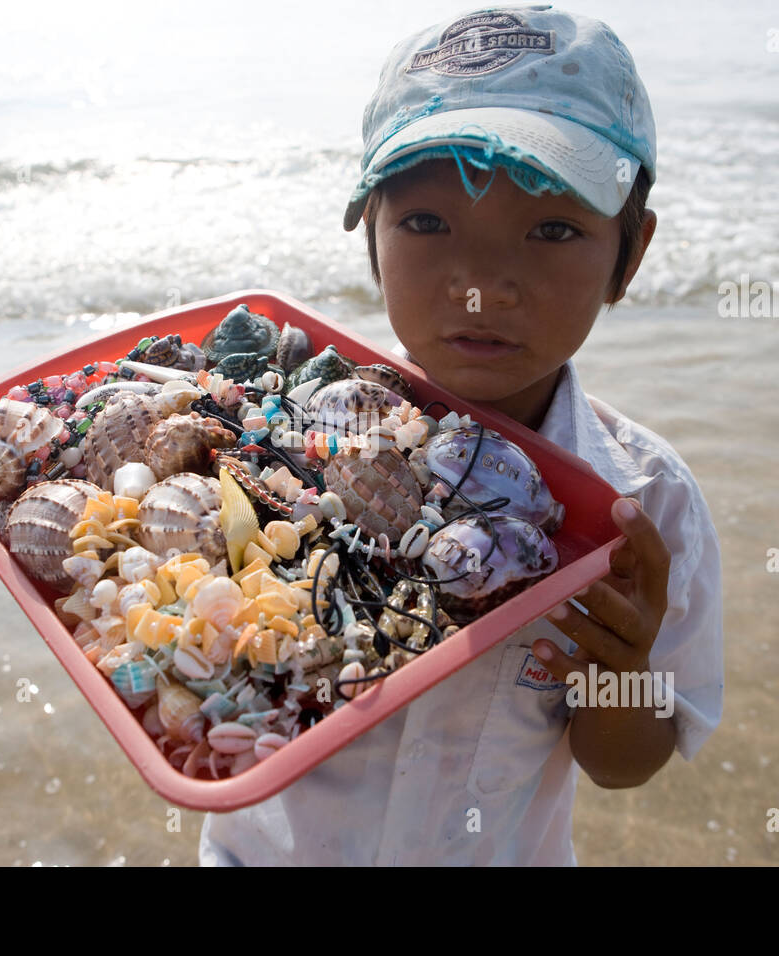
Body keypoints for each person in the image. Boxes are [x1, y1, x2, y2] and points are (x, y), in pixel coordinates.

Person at [199, 4, 724, 866]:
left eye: (553, 229)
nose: (480, 284)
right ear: (370, 233)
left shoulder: (643, 506)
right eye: (428, 223)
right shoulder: (278, 434)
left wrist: (621, 673)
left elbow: (625, 767)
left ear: (629, 257)